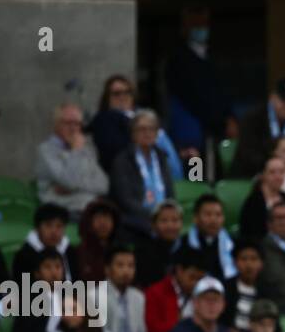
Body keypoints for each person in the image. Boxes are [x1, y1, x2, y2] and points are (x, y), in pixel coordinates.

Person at [163, 4, 238, 158]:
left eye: (204, 24)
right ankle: (194, 179)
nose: (201, 29)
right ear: (185, 26)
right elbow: (193, 96)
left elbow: (220, 92)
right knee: (194, 173)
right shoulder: (178, 60)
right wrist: (221, 121)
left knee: (215, 170)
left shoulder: (211, 57)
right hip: (191, 134)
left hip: (215, 133)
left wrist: (228, 117)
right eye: (195, 24)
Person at [88, 75, 182, 176]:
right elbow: (116, 150)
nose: (122, 97)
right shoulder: (105, 119)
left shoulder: (144, 113)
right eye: (116, 93)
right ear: (107, 98)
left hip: (170, 171)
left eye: (127, 92)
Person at [109, 110, 176, 239]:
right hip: (136, 219)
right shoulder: (122, 161)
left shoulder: (162, 158)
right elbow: (125, 200)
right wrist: (155, 216)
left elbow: (170, 192)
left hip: (164, 217)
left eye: (151, 129)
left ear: (157, 134)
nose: (147, 133)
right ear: (133, 134)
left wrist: (168, 214)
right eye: (141, 129)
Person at [35, 103, 110, 220]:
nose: (73, 128)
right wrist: (76, 151)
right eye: (68, 123)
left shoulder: (87, 150)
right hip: (61, 210)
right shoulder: (46, 151)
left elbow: (103, 185)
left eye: (77, 123)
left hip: (89, 208)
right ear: (56, 124)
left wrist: (75, 188)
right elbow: (70, 182)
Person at [233, 77, 285, 179]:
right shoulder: (252, 119)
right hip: (251, 176)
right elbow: (248, 154)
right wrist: (276, 167)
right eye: (284, 101)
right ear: (273, 97)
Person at [145, 245, 207, 332]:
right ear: (179, 270)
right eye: (192, 277)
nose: (195, 283)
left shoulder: (203, 294)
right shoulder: (155, 293)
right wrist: (181, 325)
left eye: (200, 279)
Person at [10, 249, 65, 332]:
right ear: (37, 273)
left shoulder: (70, 299)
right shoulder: (28, 301)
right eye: (48, 267)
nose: (54, 272)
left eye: (58, 267)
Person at [11, 202, 78, 281]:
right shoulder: (24, 256)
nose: (54, 232)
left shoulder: (69, 251)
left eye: (59, 226)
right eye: (48, 225)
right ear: (37, 228)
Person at [103, 245, 149, 332]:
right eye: (120, 265)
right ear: (107, 269)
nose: (126, 271)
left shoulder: (139, 297)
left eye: (131, 266)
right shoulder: (94, 297)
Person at [177, 194, 234, 281]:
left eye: (218, 215)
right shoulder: (182, 244)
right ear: (195, 218)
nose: (213, 220)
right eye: (208, 214)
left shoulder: (231, 245)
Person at [238, 156, 285, 240]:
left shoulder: (284, 196)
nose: (278, 177)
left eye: (282, 172)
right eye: (272, 172)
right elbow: (252, 233)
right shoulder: (253, 201)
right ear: (263, 175)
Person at [135, 200, 183, 288]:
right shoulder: (143, 251)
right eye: (164, 221)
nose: (170, 226)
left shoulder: (188, 249)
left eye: (175, 220)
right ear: (153, 224)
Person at [223, 237, 264, 332]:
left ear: (261, 264)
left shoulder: (267, 292)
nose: (249, 264)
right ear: (234, 262)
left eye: (254, 259)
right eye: (243, 259)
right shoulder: (224, 288)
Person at [76, 197, 120, 283]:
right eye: (98, 218)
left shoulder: (119, 251)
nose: (103, 223)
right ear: (88, 222)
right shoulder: (79, 253)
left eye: (107, 218)